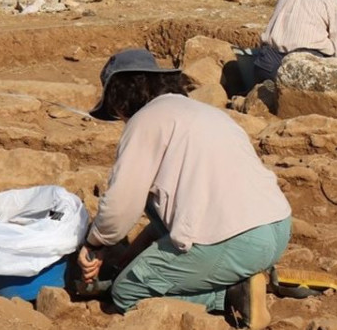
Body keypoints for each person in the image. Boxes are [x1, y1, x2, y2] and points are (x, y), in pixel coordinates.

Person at [79, 48, 291, 329]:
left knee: (127, 292)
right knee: (157, 261)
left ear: (119, 100)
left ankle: (231, 295)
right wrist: (130, 257)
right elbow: (167, 217)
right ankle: (247, 275)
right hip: (276, 228)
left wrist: (95, 243)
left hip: (234, 240)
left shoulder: (145, 121)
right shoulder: (203, 113)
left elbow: (121, 205)